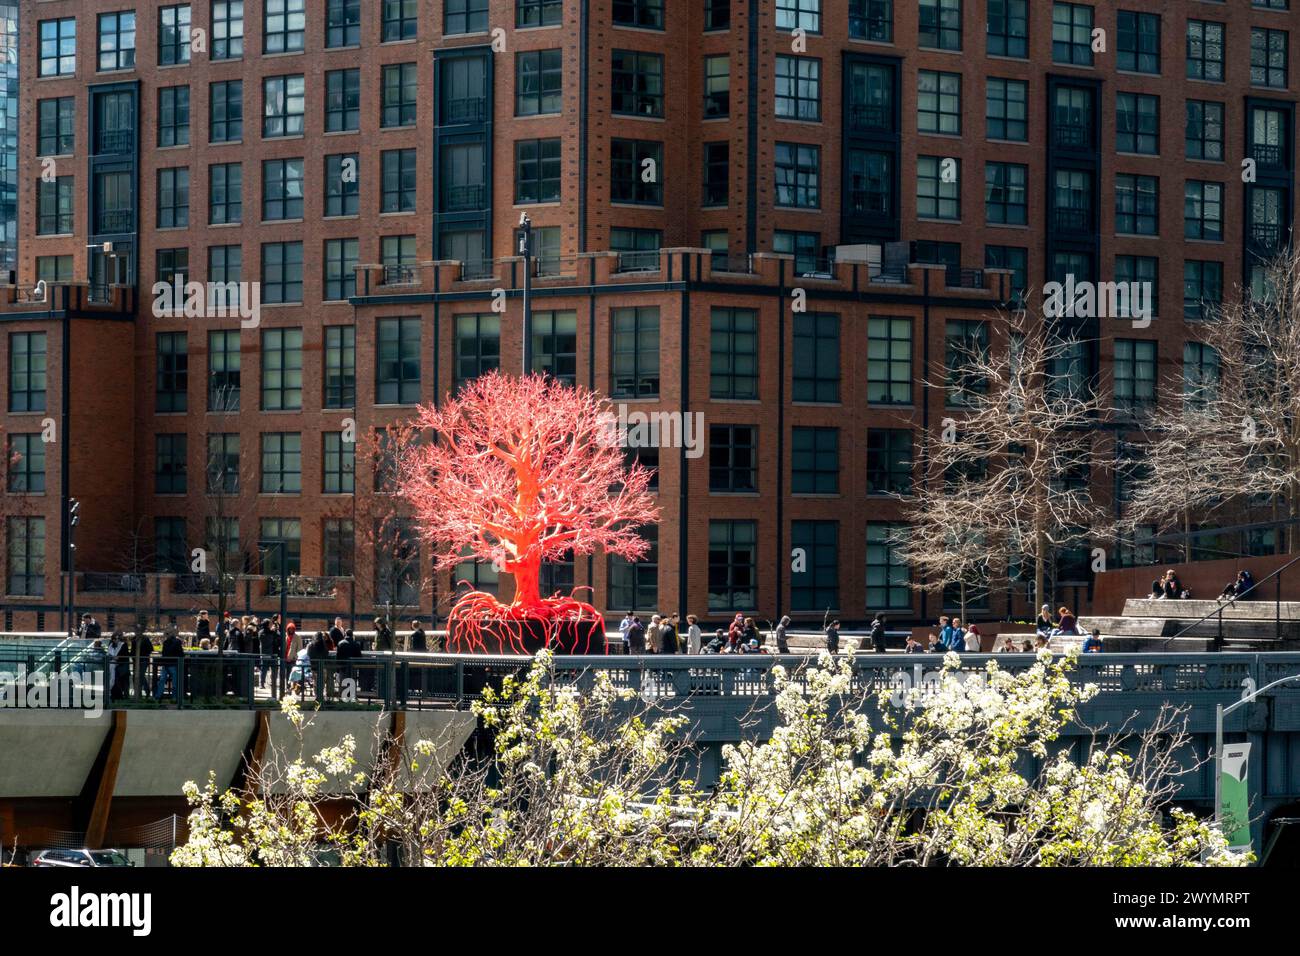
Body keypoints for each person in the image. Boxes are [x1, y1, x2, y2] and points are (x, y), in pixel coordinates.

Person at [154, 627, 185, 701]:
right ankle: (174, 697)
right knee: (175, 683)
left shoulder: (166, 642)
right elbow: (181, 654)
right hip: (173, 664)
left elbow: (164, 653)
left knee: (162, 681)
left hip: (166, 664)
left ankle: (158, 696)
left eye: (166, 634)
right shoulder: (177, 642)